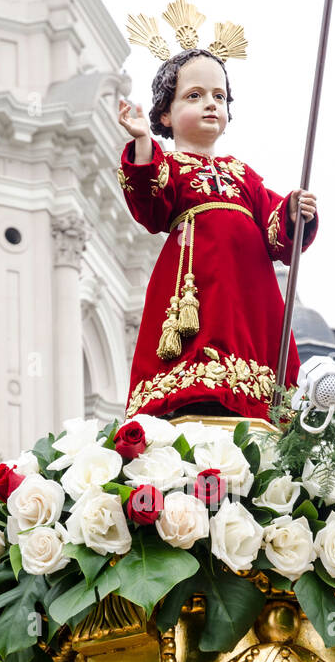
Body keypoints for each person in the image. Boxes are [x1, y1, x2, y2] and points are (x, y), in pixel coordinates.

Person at [118, 47, 318, 421]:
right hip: (196, 281)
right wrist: (144, 142)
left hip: (251, 289)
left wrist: (291, 210)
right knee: (201, 344)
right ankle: (198, 394)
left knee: (257, 354)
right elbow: (150, 205)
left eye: (219, 96)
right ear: (166, 112)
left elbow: (276, 232)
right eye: (195, 95)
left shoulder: (243, 174)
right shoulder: (171, 166)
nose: (211, 104)